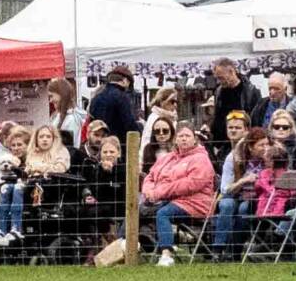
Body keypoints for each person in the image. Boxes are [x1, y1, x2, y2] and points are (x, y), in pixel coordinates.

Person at [139, 122, 215, 267]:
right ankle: (124, 244)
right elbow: (150, 176)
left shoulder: (201, 159)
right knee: (139, 210)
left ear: (195, 139)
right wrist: (149, 191)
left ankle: (166, 254)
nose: (184, 139)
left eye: (187, 135)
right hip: (171, 200)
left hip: (195, 203)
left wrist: (159, 192)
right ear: (175, 139)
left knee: (163, 214)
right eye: (180, 136)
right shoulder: (169, 158)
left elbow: (190, 184)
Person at [212, 126, 267, 260]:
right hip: (234, 193)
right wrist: (243, 181)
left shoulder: (270, 157)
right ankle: (218, 249)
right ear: (250, 147)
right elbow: (225, 188)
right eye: (261, 145)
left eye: (267, 144)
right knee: (226, 205)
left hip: (256, 197)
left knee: (243, 208)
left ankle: (235, 250)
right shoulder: (233, 158)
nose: (265, 148)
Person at [0, 123, 29, 248]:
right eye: (13, 145)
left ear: (27, 145)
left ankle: (14, 229)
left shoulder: (30, 160)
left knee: (12, 188)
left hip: (23, 196)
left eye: (20, 145)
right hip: (2, 197)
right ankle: (0, 233)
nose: (16, 148)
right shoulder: (5, 157)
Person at [87, 66, 142, 151]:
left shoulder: (96, 97)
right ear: (125, 81)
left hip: (99, 145)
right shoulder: (122, 97)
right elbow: (130, 125)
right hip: (117, 146)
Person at [47, 78, 83, 145]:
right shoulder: (58, 116)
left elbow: (71, 147)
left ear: (62, 95)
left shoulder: (72, 119)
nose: (50, 100)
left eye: (51, 96)